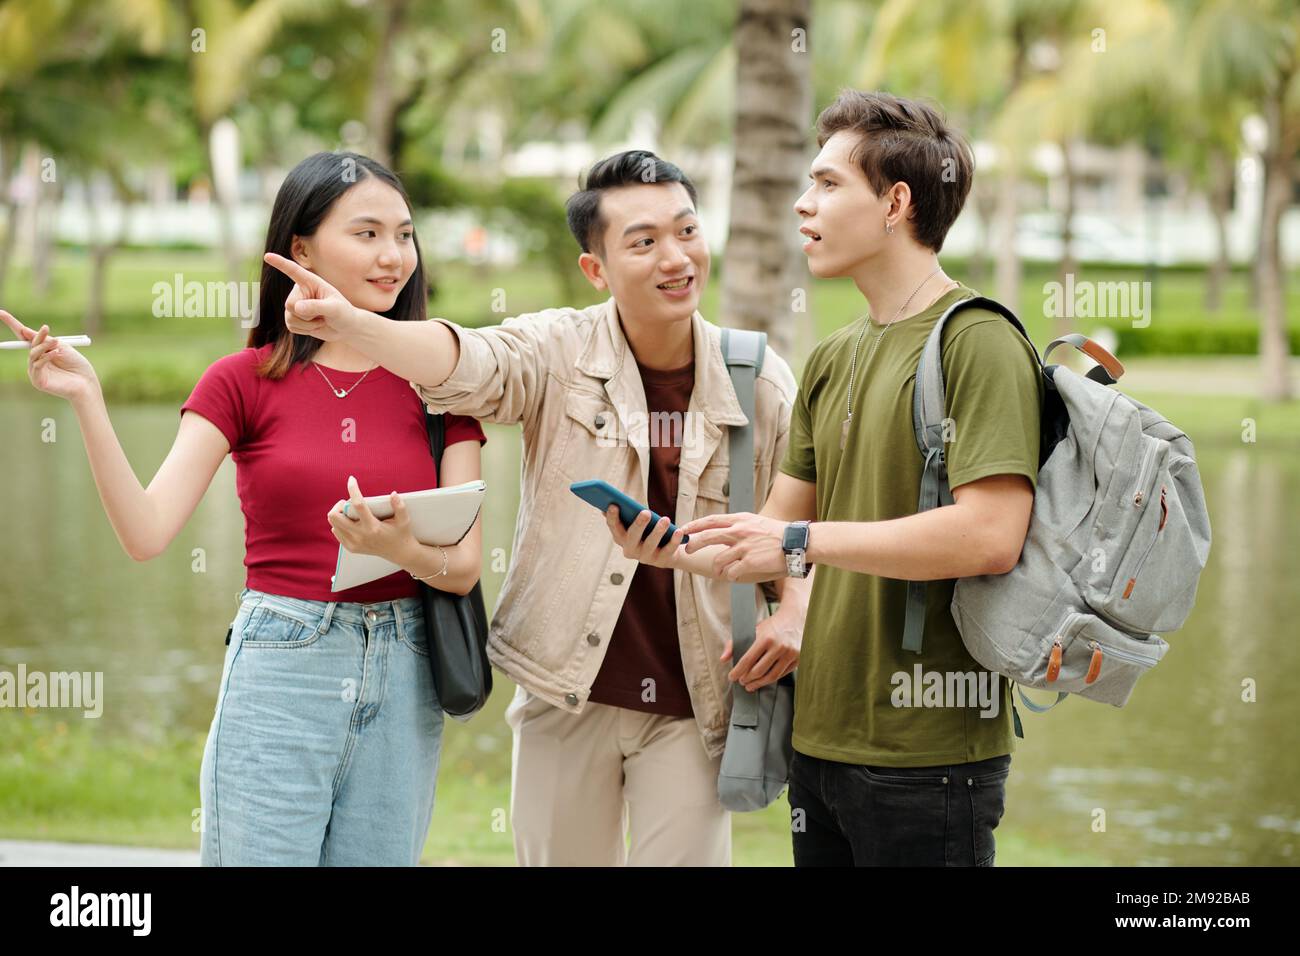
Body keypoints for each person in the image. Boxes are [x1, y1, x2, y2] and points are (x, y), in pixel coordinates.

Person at [260, 150, 811, 866]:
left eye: (687, 231)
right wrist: (353, 324)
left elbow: (798, 531)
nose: (676, 258)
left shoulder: (760, 382)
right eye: (643, 243)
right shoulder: (557, 351)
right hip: (564, 691)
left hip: (696, 703)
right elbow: (464, 361)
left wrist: (794, 610)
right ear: (597, 268)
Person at [0, 151, 486, 866]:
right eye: (368, 234)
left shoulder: (442, 385)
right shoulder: (244, 381)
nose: (394, 257)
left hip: (406, 666)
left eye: (405, 235)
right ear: (300, 249)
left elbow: (465, 568)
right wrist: (86, 400)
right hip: (283, 666)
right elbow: (145, 531)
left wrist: (397, 549)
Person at [674, 91, 1044, 866]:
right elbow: (773, 538)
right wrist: (660, 547)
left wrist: (802, 539)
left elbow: (991, 535)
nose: (804, 206)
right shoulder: (835, 354)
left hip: (928, 757)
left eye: (828, 185)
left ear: (896, 203)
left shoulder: (978, 342)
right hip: (820, 745)